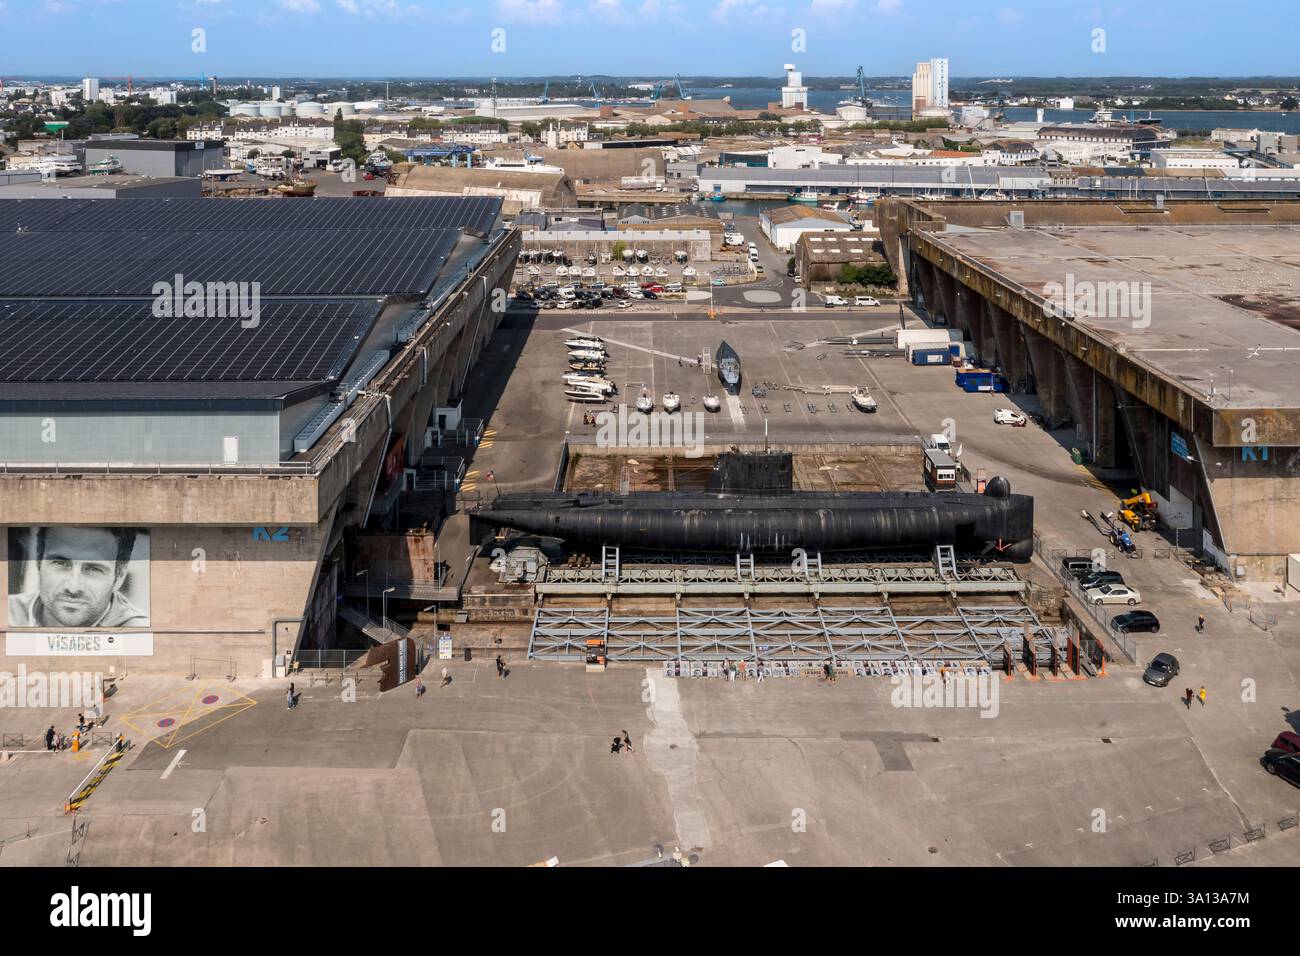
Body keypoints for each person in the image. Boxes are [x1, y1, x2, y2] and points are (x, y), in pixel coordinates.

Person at [7, 527, 148, 628]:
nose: (73, 588)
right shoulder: (8, 615)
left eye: (93, 569)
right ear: (38, 562)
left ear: (119, 576)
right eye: (60, 563)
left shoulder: (141, 635)